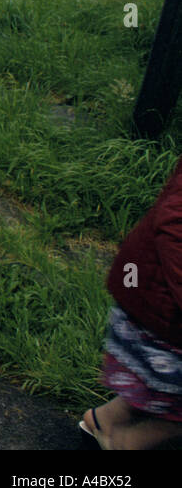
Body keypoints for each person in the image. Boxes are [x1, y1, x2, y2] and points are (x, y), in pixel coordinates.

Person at [80, 154, 182, 450]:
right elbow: (174, 229)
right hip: (164, 304)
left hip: (156, 296)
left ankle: (104, 422)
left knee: (162, 392)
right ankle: (124, 443)